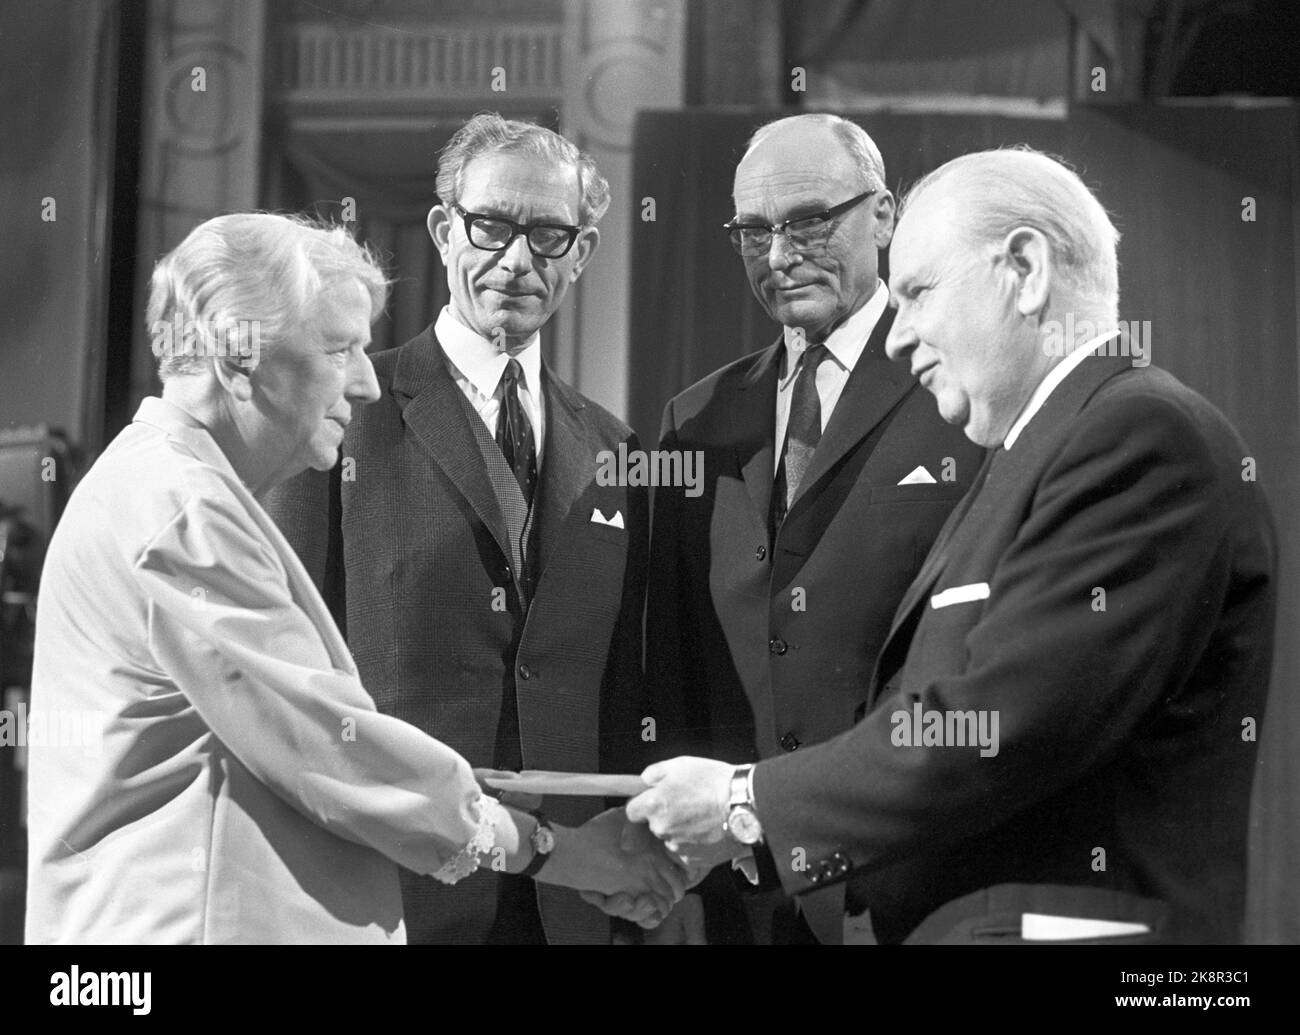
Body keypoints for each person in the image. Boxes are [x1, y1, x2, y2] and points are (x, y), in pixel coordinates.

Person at [627, 147, 1276, 945]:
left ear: (1026, 270)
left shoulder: (1139, 436)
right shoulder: (1041, 450)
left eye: (919, 294)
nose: (898, 340)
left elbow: (1001, 720)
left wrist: (747, 802)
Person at [24, 213, 682, 945]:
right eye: (339, 349)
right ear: (239, 357)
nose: (368, 383)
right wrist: (549, 846)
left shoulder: (177, 488)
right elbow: (329, 749)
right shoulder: (181, 510)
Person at [265, 114, 653, 944]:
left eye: (548, 234)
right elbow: (288, 679)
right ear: (445, 230)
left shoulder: (617, 448)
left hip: (568, 904)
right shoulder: (343, 417)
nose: (517, 259)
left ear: (580, 253)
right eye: (491, 226)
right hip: (388, 892)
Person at [640, 113, 982, 944]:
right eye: (754, 231)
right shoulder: (698, 420)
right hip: (741, 900)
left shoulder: (962, 395)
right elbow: (680, 667)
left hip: (912, 888)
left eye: (809, 220)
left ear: (885, 216)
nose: (781, 254)